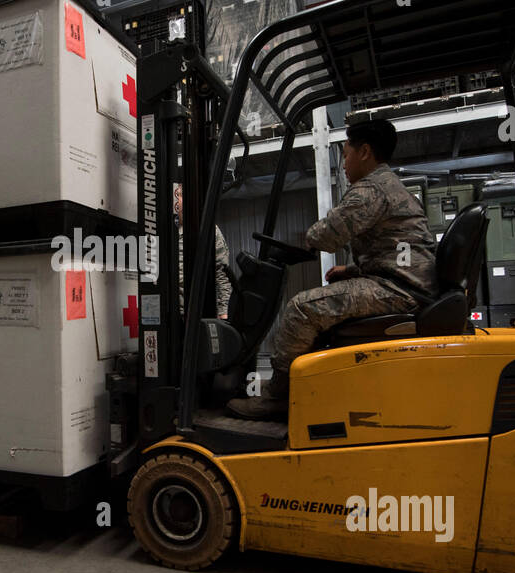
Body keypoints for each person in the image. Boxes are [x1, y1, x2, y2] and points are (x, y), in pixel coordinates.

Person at [227, 118, 436, 420]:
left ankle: (277, 398)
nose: (345, 163)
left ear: (365, 152)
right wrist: (350, 271)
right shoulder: (387, 185)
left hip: (399, 290)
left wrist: (310, 237)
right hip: (405, 284)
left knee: (300, 309)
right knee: (320, 305)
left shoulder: (371, 189)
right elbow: (391, 253)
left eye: (346, 154)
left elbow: (326, 235)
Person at [174, 183, 232, 319]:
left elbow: (222, 273)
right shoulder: (165, 230)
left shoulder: (208, 230)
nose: (178, 200)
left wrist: (223, 312)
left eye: (181, 196)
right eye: (177, 196)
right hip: (170, 313)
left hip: (196, 312)